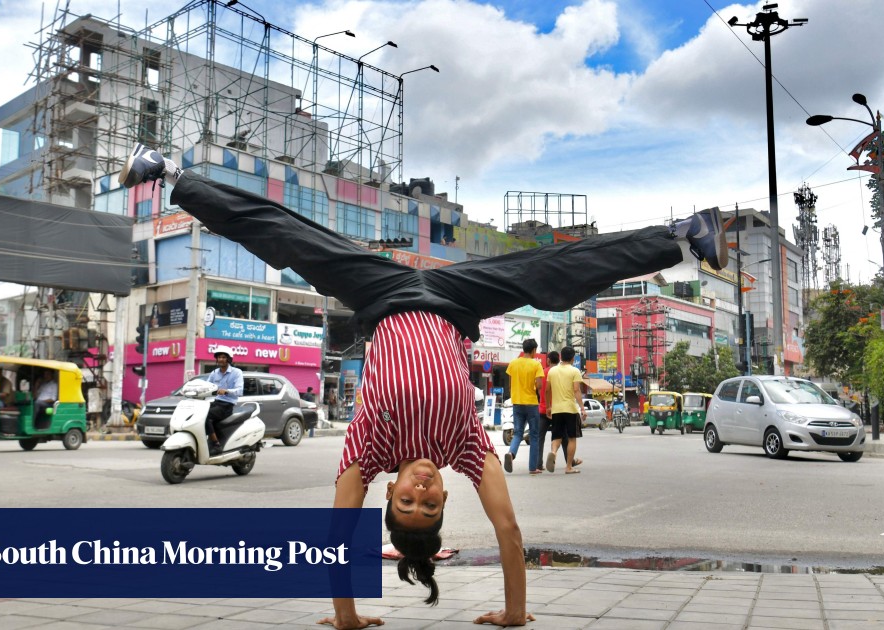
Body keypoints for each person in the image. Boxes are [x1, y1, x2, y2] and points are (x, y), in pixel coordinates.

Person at [119, 144, 727, 628]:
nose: (420, 491)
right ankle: (682, 234)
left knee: (287, 237)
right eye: (430, 503)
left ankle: (169, 173)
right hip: (451, 299)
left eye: (407, 501)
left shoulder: (368, 451)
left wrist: (347, 616)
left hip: (380, 296)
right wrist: (515, 613)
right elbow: (510, 532)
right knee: (552, 275)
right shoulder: (465, 446)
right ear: (442, 498)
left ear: (388, 497)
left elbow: (336, 540)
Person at [504, 338, 545, 475]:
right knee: (534, 435)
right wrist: (533, 387)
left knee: (518, 433)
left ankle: (511, 453)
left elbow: (510, 385)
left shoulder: (513, 363)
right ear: (533, 350)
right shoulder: (536, 365)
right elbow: (539, 385)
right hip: (531, 403)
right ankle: (533, 468)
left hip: (517, 403)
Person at [546, 347, 584, 474]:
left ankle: (553, 452)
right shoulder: (575, 371)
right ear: (573, 358)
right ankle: (568, 467)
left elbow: (547, 390)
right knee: (572, 438)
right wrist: (582, 408)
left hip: (556, 409)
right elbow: (576, 390)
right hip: (570, 410)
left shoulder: (552, 371)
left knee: (557, 436)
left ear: (561, 356)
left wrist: (548, 406)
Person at [204, 346, 243, 453]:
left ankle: (216, 445)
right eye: (219, 357)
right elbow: (206, 386)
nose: (220, 359)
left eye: (223, 357)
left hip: (227, 405)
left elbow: (240, 391)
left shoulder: (237, 372)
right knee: (197, 414)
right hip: (215, 402)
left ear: (229, 359)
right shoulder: (214, 373)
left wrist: (226, 391)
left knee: (205, 416)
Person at [533, 350, 559, 473]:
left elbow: (538, 389)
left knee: (539, 437)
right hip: (558, 410)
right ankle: (570, 462)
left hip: (543, 409)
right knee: (561, 436)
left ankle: (538, 464)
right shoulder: (560, 373)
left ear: (548, 360)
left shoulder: (543, 372)